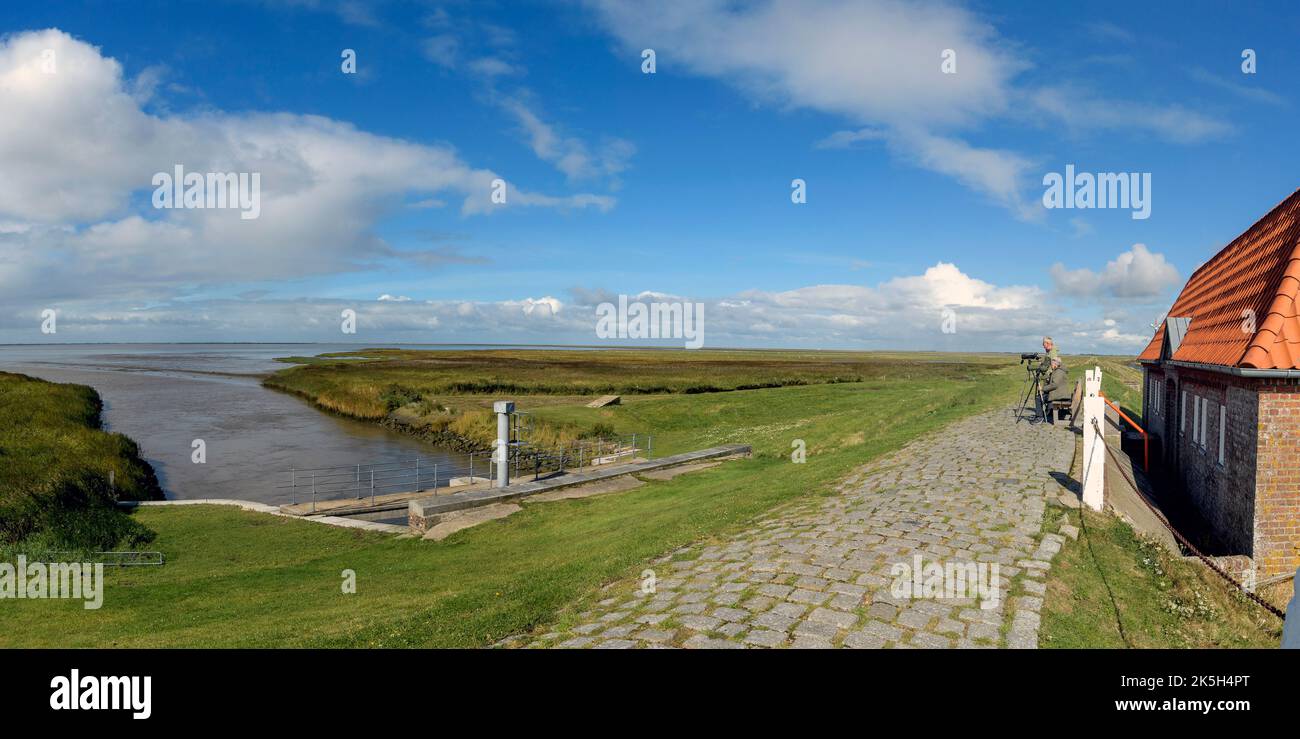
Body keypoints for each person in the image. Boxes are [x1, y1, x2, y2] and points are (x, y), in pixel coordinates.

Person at [1039, 357, 1071, 422]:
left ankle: (1039, 417)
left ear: (1055, 364)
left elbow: (1055, 385)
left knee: (1039, 398)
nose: (1051, 366)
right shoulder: (1058, 370)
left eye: (1051, 364)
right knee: (1044, 395)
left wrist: (1043, 388)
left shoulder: (1058, 372)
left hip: (1060, 395)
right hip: (1061, 393)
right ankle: (1047, 413)